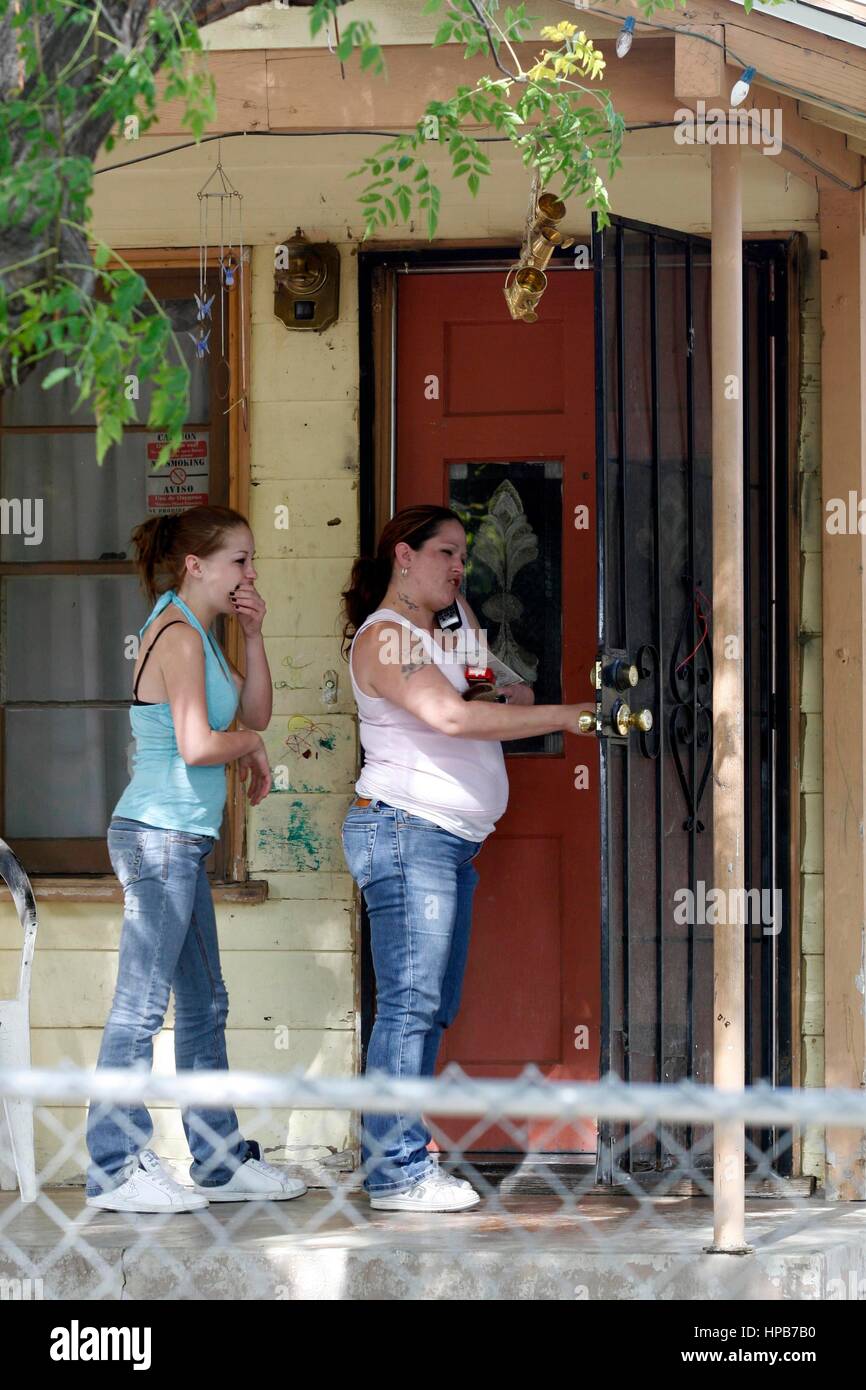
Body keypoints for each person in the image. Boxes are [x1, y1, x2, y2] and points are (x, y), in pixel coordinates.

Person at [340, 504, 594, 1212]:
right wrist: (565, 716)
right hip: (406, 831)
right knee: (410, 1005)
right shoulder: (386, 639)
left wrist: (462, 620)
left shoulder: (434, 632)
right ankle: (395, 1171)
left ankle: (405, 1160)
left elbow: (483, 686)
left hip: (445, 839)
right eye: (446, 553)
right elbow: (451, 718)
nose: (459, 567)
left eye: (464, 558)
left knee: (430, 1004)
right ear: (403, 556)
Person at [85, 505, 306, 1214]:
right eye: (239, 559)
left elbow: (257, 713)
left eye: (251, 559)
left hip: (180, 839)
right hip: (156, 836)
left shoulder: (204, 635)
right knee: (142, 1006)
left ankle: (217, 1162)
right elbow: (198, 745)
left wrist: (254, 633)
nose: (250, 572)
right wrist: (247, 746)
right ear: (197, 565)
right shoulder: (177, 634)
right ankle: (115, 1167)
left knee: (205, 1003)